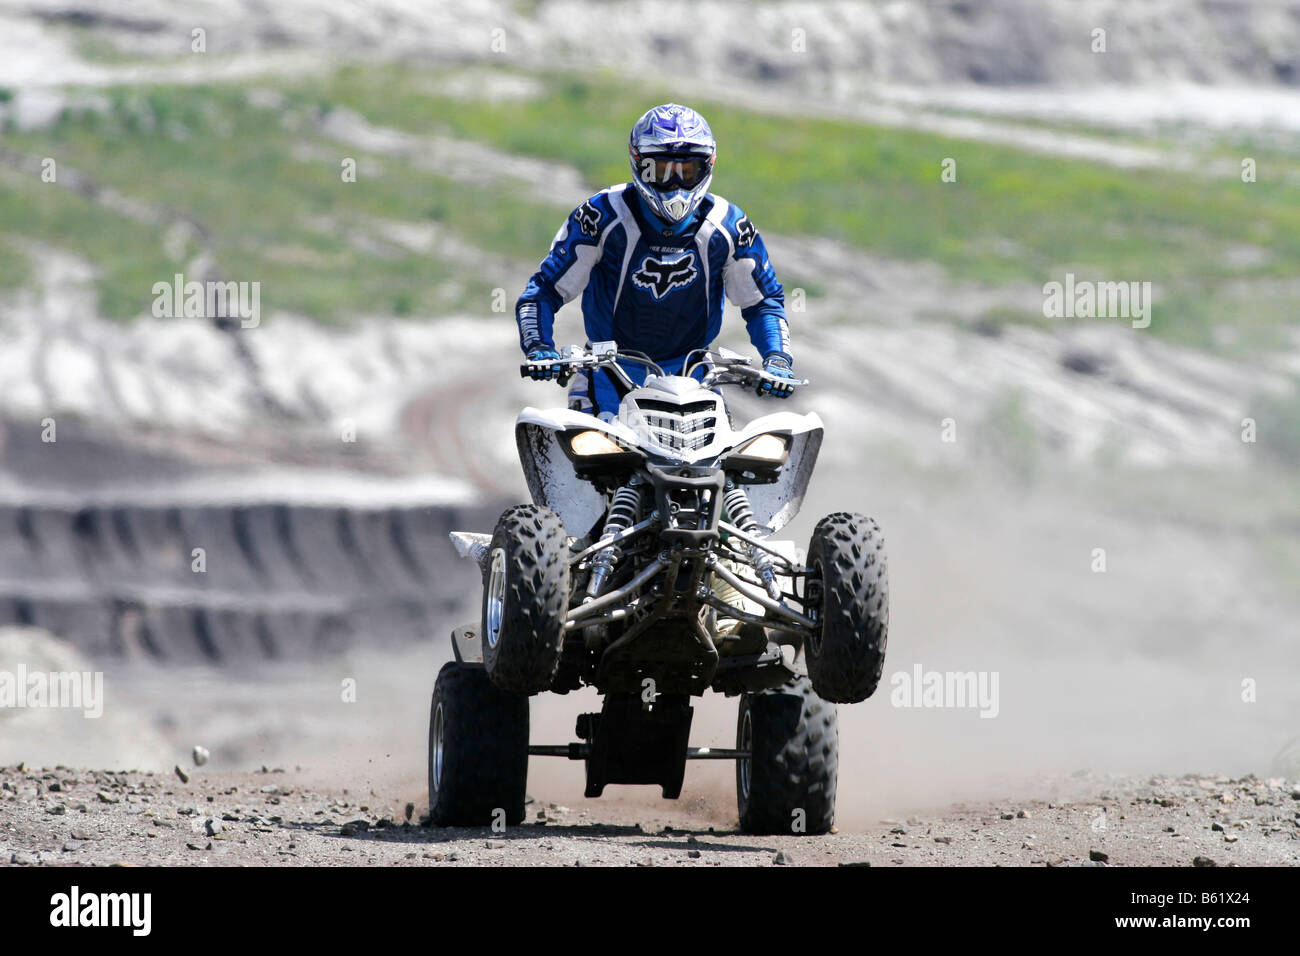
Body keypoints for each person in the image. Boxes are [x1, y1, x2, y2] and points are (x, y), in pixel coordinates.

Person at [515, 103, 794, 419]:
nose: (675, 185)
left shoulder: (729, 226)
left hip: (695, 378)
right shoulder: (600, 216)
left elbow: (762, 302)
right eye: (660, 171)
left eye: (687, 171)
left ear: (707, 167)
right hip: (608, 374)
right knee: (579, 454)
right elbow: (542, 292)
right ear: (638, 164)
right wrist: (539, 348)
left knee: (742, 460)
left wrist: (778, 358)